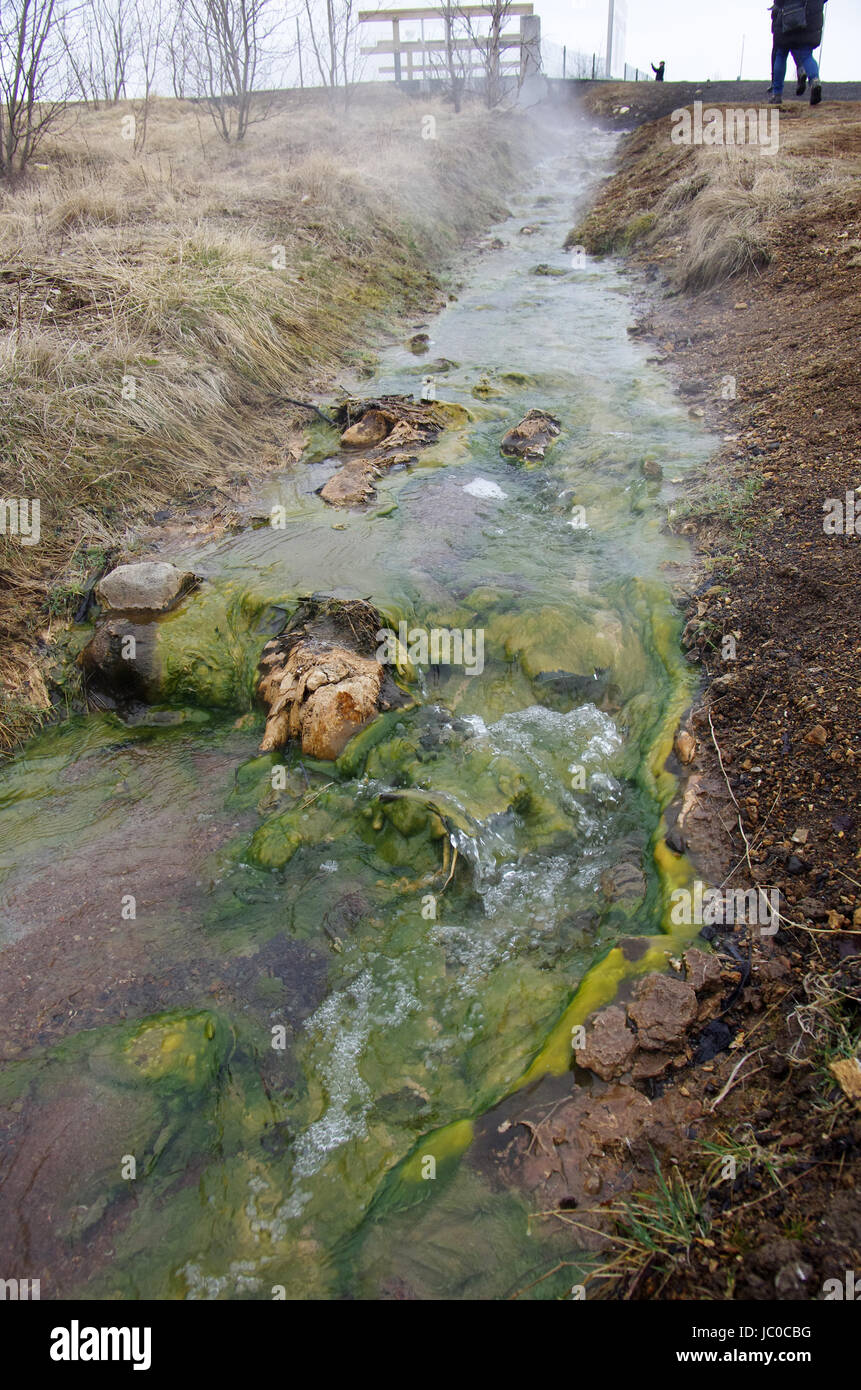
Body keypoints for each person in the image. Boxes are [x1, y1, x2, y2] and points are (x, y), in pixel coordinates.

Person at [769, 0, 827, 106]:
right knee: (806, 54)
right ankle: (814, 80)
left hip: (787, 17)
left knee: (781, 53)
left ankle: (776, 94)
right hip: (810, 18)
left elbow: (779, 2)